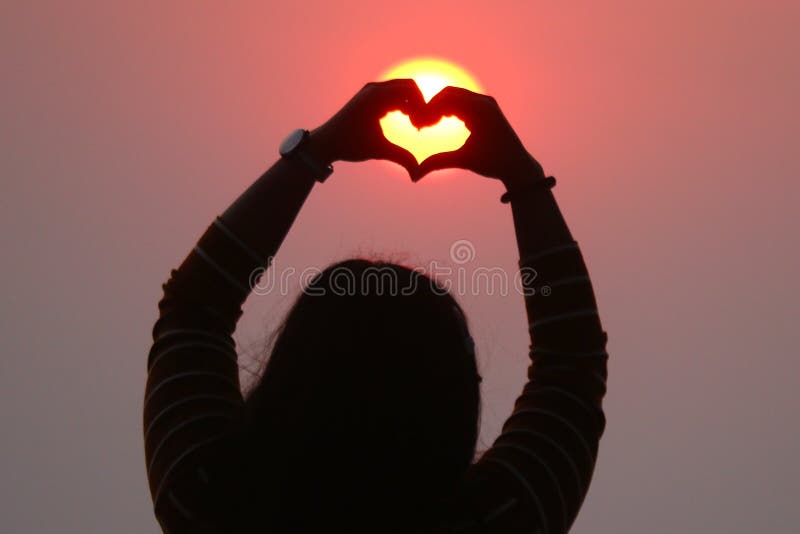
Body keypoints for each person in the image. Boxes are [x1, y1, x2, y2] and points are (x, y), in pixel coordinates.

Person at [143, 79, 608, 533]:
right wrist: (524, 179)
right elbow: (570, 370)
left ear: (293, 369)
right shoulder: (501, 518)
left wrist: (313, 152)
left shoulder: (210, 503)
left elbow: (194, 311)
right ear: (452, 403)